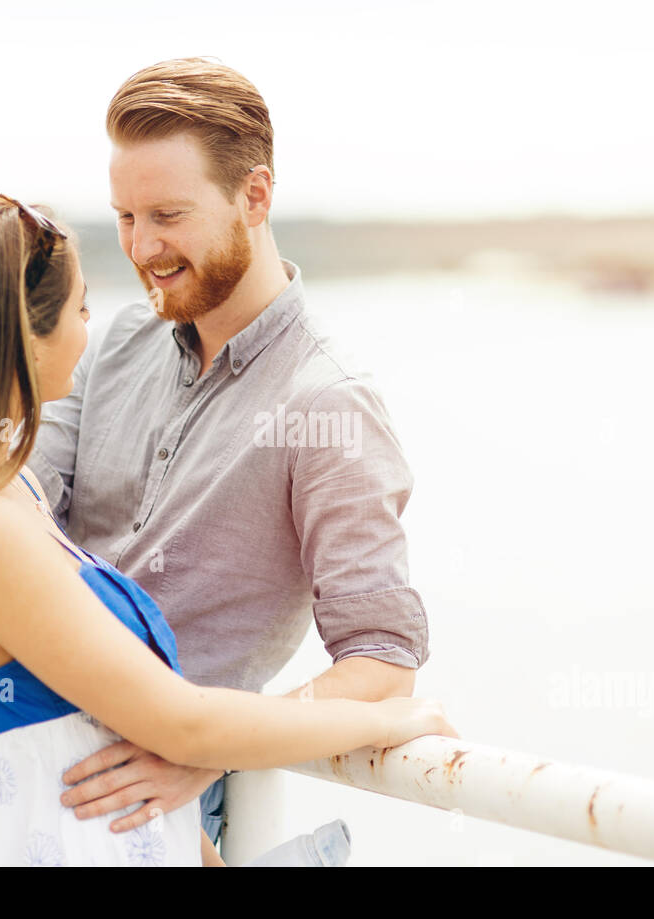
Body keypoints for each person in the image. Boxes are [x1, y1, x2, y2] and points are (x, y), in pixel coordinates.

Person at [0, 187, 455, 867]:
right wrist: (386, 718)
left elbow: (84, 738)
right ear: (22, 340)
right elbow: (178, 723)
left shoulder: (6, 496)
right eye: (80, 308)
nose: (92, 330)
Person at [32, 57, 432, 851]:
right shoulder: (112, 344)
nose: (142, 248)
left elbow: (383, 663)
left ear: (255, 196)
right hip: (28, 767)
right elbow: (21, 507)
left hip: (159, 811)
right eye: (124, 217)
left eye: (167, 216)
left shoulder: (329, 403)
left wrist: (209, 750)